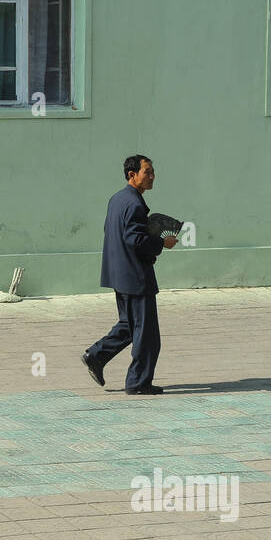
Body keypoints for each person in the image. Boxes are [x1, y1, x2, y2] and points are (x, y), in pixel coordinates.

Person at [82, 154, 177, 395]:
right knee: (147, 336)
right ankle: (138, 382)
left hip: (119, 275)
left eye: (153, 171)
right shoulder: (134, 204)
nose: (152, 176)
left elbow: (111, 230)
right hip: (135, 277)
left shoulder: (117, 199)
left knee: (129, 324)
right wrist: (161, 243)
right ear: (131, 175)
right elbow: (135, 239)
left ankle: (96, 355)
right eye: (148, 172)